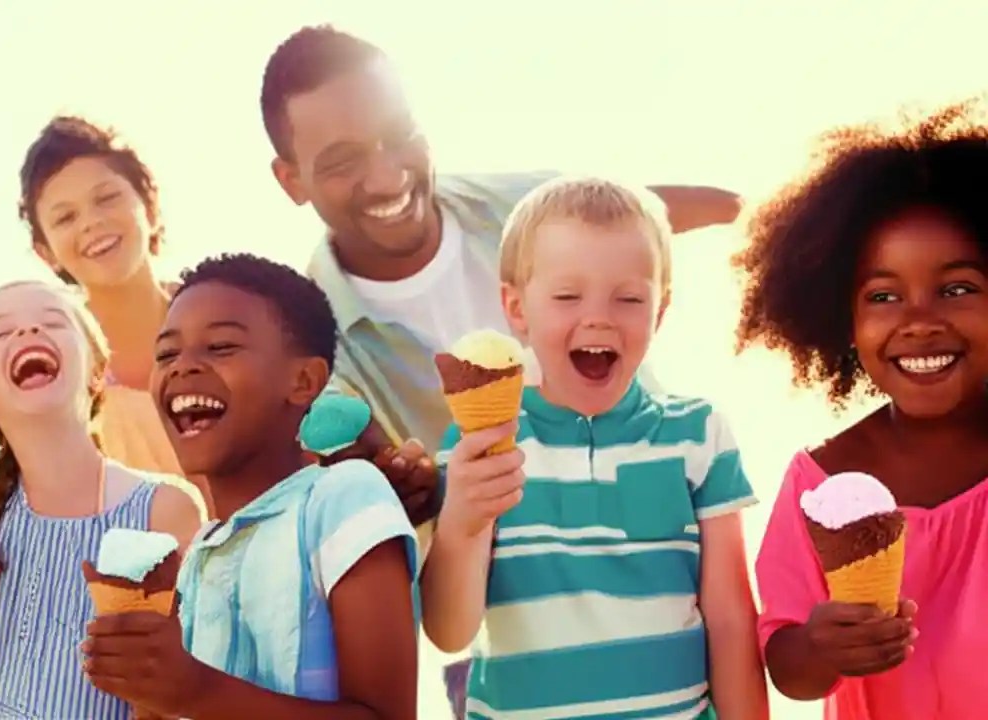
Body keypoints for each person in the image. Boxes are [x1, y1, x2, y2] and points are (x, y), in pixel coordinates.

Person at [260, 24, 745, 455]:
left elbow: (647, 214)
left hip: (656, 516)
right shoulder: (316, 342)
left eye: (400, 133)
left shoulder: (523, 207)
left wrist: (763, 222)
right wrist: (405, 493)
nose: (388, 178)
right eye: (343, 162)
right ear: (292, 181)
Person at [423, 178, 768, 719]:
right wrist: (462, 523)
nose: (599, 316)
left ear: (660, 311)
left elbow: (730, 620)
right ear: (516, 308)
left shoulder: (698, 435)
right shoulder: (479, 446)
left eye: (628, 298)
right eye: (566, 296)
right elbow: (449, 631)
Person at [82, 254, 420, 720]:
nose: (183, 367)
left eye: (220, 346)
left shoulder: (341, 497)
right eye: (166, 354)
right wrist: (149, 693)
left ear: (304, 381)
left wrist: (196, 692)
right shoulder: (199, 552)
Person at [737, 98, 988, 719]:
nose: (920, 322)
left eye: (957, 288)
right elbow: (788, 666)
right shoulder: (821, 484)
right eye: (884, 296)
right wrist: (824, 647)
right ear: (840, 319)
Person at [0, 280, 200, 719]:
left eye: (52, 322)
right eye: (1, 332)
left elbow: (180, 689)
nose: (27, 333)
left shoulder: (165, 509)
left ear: (97, 370)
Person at [18, 115, 212, 517]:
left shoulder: (229, 313)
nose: (92, 222)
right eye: (65, 218)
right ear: (45, 251)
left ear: (150, 205)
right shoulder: (63, 384)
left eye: (106, 198)